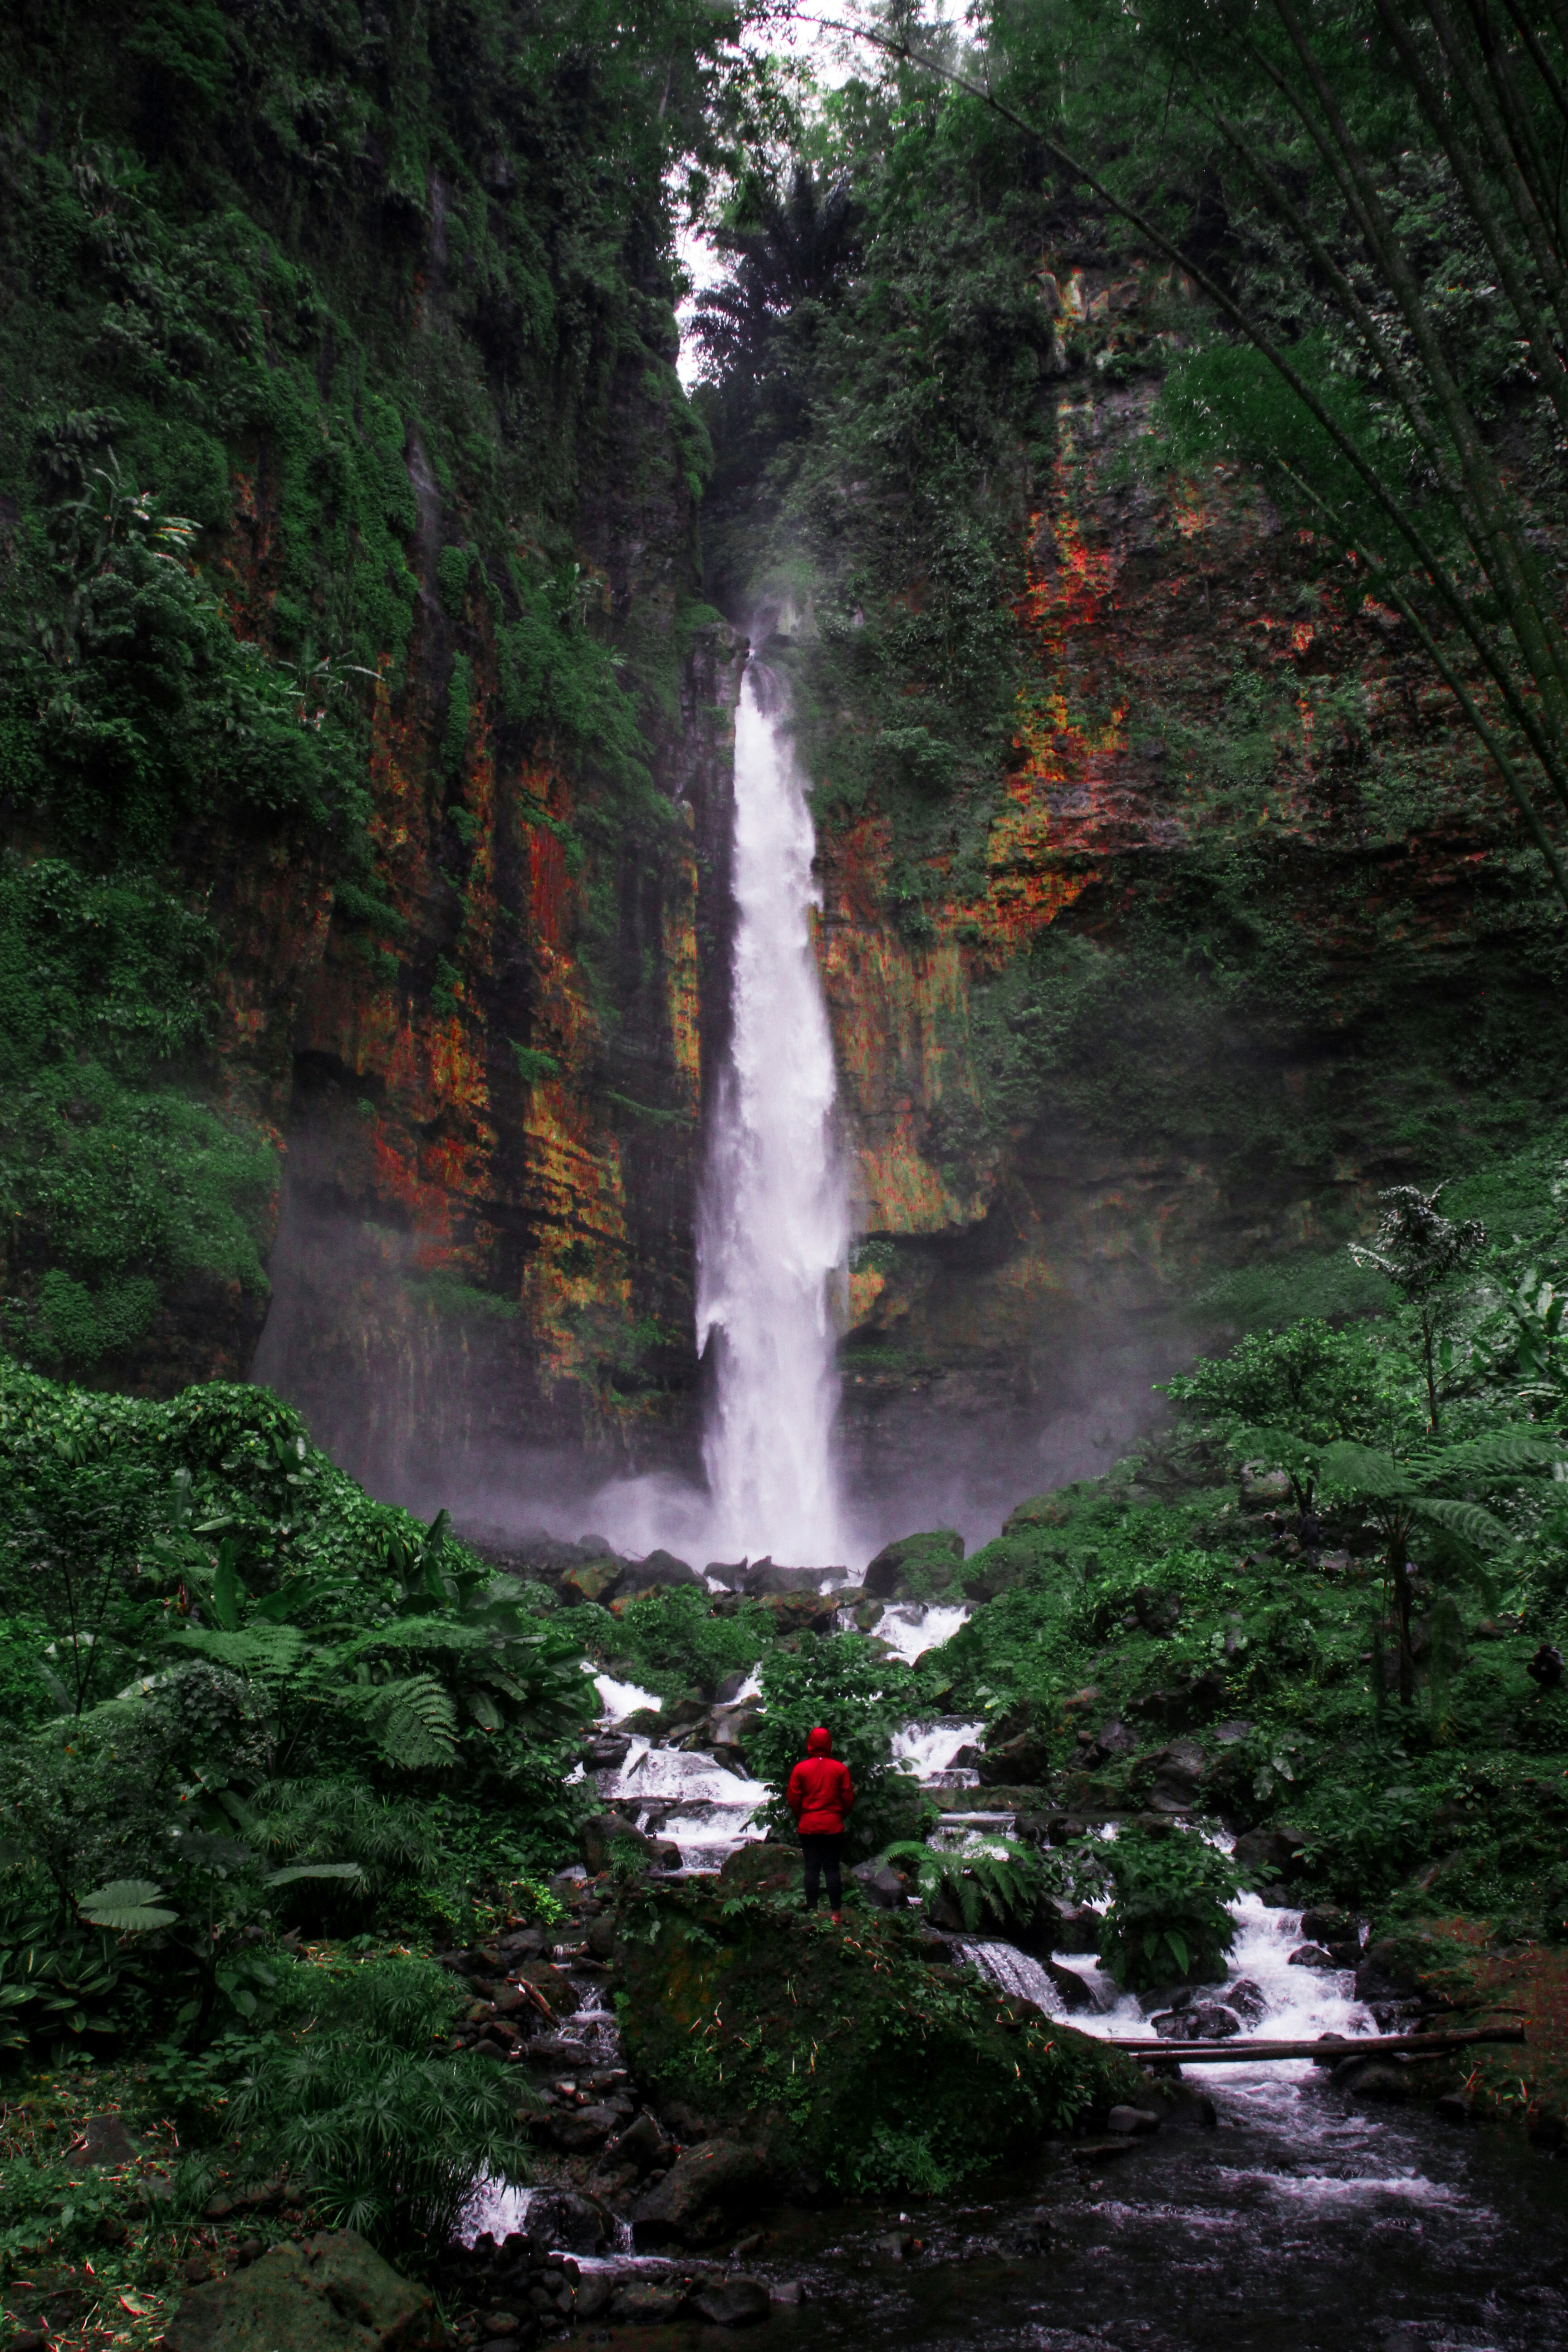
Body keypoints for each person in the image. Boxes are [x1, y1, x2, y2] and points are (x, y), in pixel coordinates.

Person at [786, 1725, 855, 1924]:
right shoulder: (840, 1769)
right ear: (829, 1744)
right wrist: (838, 1816)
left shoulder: (801, 1769)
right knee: (832, 1869)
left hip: (809, 1826)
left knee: (812, 1869)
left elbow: (793, 1798)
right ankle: (836, 1914)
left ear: (810, 1744)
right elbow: (848, 1798)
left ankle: (813, 1912)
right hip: (833, 1827)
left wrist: (803, 1816)